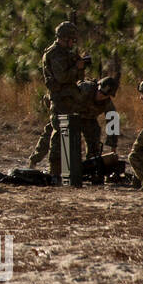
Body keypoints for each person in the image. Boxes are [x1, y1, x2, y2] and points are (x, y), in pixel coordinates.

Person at [29, 75, 120, 165]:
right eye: (100, 91)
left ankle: (91, 167)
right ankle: (34, 161)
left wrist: (113, 146)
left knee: (94, 139)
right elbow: (61, 97)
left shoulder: (107, 103)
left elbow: (113, 121)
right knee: (51, 135)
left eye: (105, 95)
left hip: (87, 119)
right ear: (98, 86)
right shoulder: (84, 88)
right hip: (67, 114)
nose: (101, 95)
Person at [41, 21, 89, 179]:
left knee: (70, 136)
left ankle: (69, 171)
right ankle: (54, 172)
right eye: (71, 39)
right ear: (64, 37)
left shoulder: (67, 53)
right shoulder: (54, 54)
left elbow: (78, 77)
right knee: (58, 135)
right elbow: (62, 78)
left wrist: (80, 66)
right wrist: (77, 68)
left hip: (71, 99)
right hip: (60, 99)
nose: (73, 43)